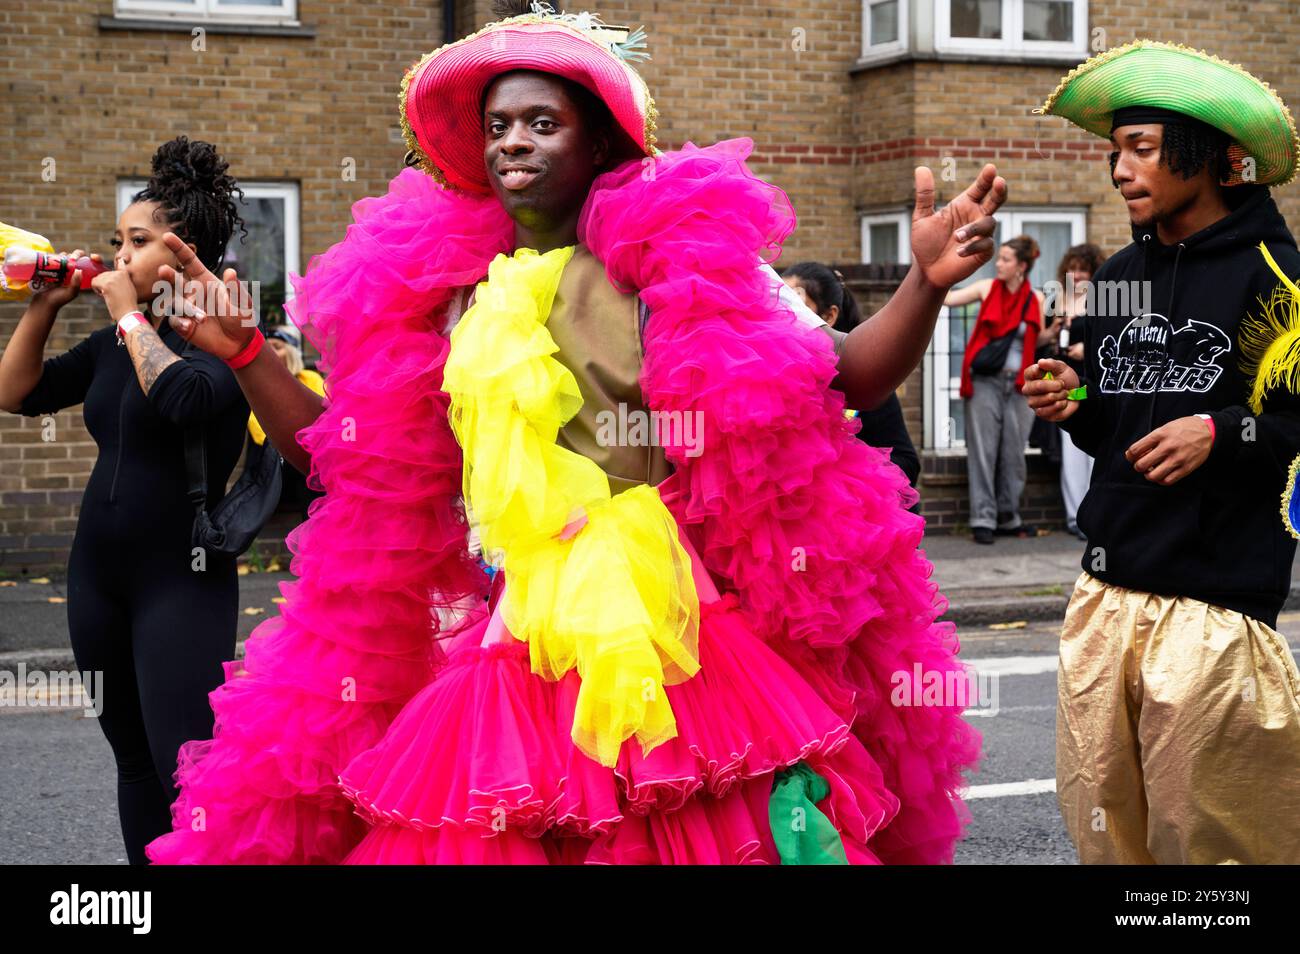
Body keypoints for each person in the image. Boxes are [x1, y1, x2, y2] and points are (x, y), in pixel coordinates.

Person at [144, 1, 1004, 865]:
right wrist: (251, 353)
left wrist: (922, 287)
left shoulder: (676, 269)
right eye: (498, 125)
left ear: (596, 144)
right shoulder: (450, 299)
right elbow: (349, 455)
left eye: (542, 123)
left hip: (670, 631)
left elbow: (846, 373)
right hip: (514, 629)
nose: (513, 141)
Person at [1027, 39, 1300, 863]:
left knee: (1216, 849)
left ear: (1213, 160)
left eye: (1141, 149)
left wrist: (1220, 430)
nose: (1120, 170)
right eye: (1116, 154)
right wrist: (1067, 402)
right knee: (1108, 836)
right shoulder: (1116, 275)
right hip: (1104, 593)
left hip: (1214, 610)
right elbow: (1104, 418)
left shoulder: (1278, 278)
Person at [0, 136, 250, 864]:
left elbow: (183, 400)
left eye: (136, 242)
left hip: (182, 577)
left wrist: (130, 315)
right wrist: (46, 306)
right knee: (133, 762)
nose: (118, 257)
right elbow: (17, 393)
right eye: (117, 242)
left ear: (181, 251)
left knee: (185, 766)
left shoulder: (223, 333)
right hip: (96, 574)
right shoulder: (116, 339)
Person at [783, 262, 921, 491]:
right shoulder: (770, 376)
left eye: (795, 307)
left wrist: (840, 471)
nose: (783, 316)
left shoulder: (856, 378)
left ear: (829, 316)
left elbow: (906, 465)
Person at [946, 236, 1046, 544]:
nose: (999, 264)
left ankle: (1008, 516)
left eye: (1005, 259)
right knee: (983, 451)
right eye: (999, 258)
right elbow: (948, 300)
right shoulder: (987, 289)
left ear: (1022, 266)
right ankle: (983, 519)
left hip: (1019, 384)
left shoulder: (1036, 299)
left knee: (1013, 453)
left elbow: (1037, 341)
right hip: (985, 381)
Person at [1039, 244, 1106, 539]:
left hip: (1091, 387)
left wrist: (1085, 348)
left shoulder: (1103, 301)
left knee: (1095, 452)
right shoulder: (1055, 301)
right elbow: (1039, 342)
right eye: (1073, 269)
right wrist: (1051, 335)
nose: (1077, 276)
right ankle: (1075, 517)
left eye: (1083, 270)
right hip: (1063, 388)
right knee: (1071, 453)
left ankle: (1098, 516)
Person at [248, 324, 325, 520]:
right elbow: (259, 432)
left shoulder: (310, 378)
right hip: (275, 456)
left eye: (277, 346)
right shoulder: (258, 386)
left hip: (307, 453)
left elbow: (322, 420)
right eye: (267, 347)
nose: (271, 353)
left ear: (291, 352)